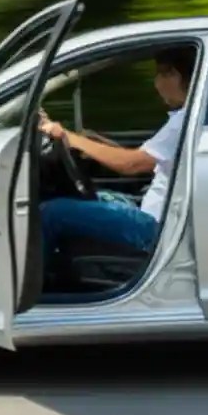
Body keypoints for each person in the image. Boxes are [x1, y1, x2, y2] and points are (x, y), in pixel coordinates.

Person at [36, 46, 196, 265]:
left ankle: (32, 290)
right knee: (87, 197)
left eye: (162, 74)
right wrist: (89, 142)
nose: (156, 83)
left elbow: (131, 164)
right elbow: (141, 156)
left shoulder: (184, 122)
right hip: (150, 213)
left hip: (154, 228)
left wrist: (67, 136)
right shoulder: (182, 118)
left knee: (50, 213)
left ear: (177, 76)